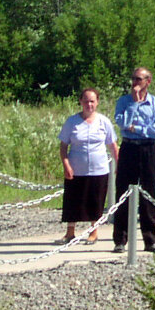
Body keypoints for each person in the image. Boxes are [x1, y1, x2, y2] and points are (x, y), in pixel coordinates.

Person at [113, 67, 155, 253]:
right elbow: (122, 124)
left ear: (148, 81)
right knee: (123, 193)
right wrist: (134, 105)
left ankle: (150, 240)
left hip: (148, 149)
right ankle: (120, 239)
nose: (135, 83)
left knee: (148, 193)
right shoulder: (124, 102)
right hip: (128, 148)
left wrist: (136, 128)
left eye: (139, 79)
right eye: (133, 79)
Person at [57, 88, 119, 245]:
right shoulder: (72, 122)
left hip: (99, 169)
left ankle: (94, 232)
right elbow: (63, 146)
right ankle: (70, 232)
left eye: (92, 101)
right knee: (73, 200)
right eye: (86, 101)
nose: (89, 104)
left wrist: (119, 164)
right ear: (80, 102)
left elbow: (112, 145)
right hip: (76, 168)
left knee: (96, 201)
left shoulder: (104, 121)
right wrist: (66, 164)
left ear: (97, 102)